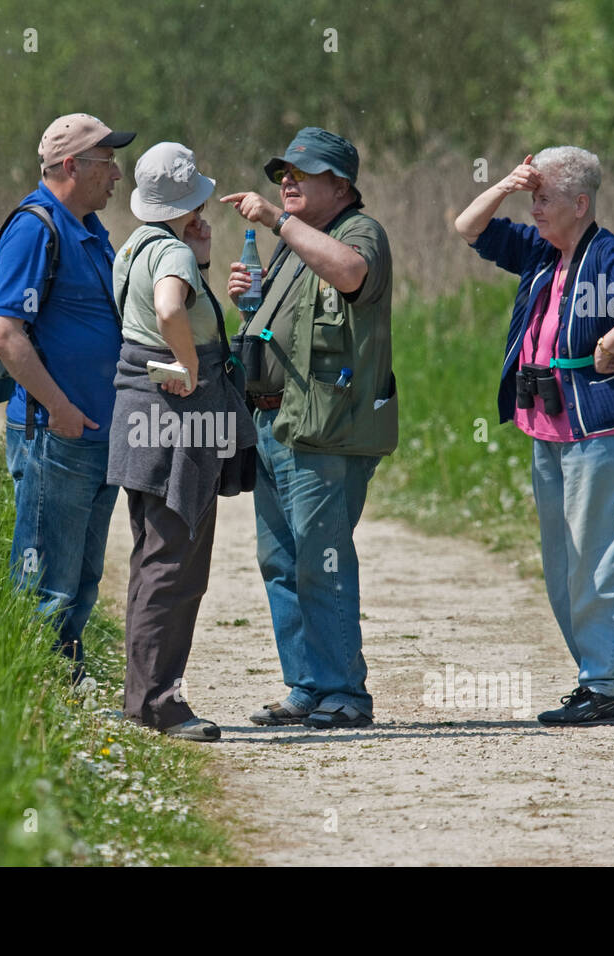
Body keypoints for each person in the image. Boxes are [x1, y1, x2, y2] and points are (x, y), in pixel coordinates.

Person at [453, 146, 614, 726]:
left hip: (604, 427)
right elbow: (466, 227)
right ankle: (596, 682)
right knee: (563, 565)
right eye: (531, 197)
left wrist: (607, 346)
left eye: (543, 198)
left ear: (580, 203)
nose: (534, 209)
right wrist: (504, 184)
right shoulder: (541, 252)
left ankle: (610, 687)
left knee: (600, 558)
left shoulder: (604, 254)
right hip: (547, 426)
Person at [222, 127, 395, 730]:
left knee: (321, 560)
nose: (287, 182)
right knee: (281, 562)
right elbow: (289, 324)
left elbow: (350, 274)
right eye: (281, 174)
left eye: (302, 173)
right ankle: (306, 687)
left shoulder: (358, 233)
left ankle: (345, 694)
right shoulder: (297, 242)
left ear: (340, 185)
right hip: (274, 421)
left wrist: (276, 220)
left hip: (325, 430)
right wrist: (253, 297)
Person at [107, 142, 256, 741]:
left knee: (153, 558)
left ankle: (140, 698)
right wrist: (192, 364)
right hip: (181, 420)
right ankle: (161, 703)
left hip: (140, 413)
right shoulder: (172, 254)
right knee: (178, 565)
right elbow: (170, 308)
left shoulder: (134, 246)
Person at [0, 113, 135, 684]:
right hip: (57, 434)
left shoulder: (91, 230)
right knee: (46, 577)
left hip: (97, 433)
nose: (117, 173)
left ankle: (65, 677)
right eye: (107, 161)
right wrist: (61, 408)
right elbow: (5, 334)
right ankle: (33, 685)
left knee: (83, 577)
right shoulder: (36, 228)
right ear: (72, 166)